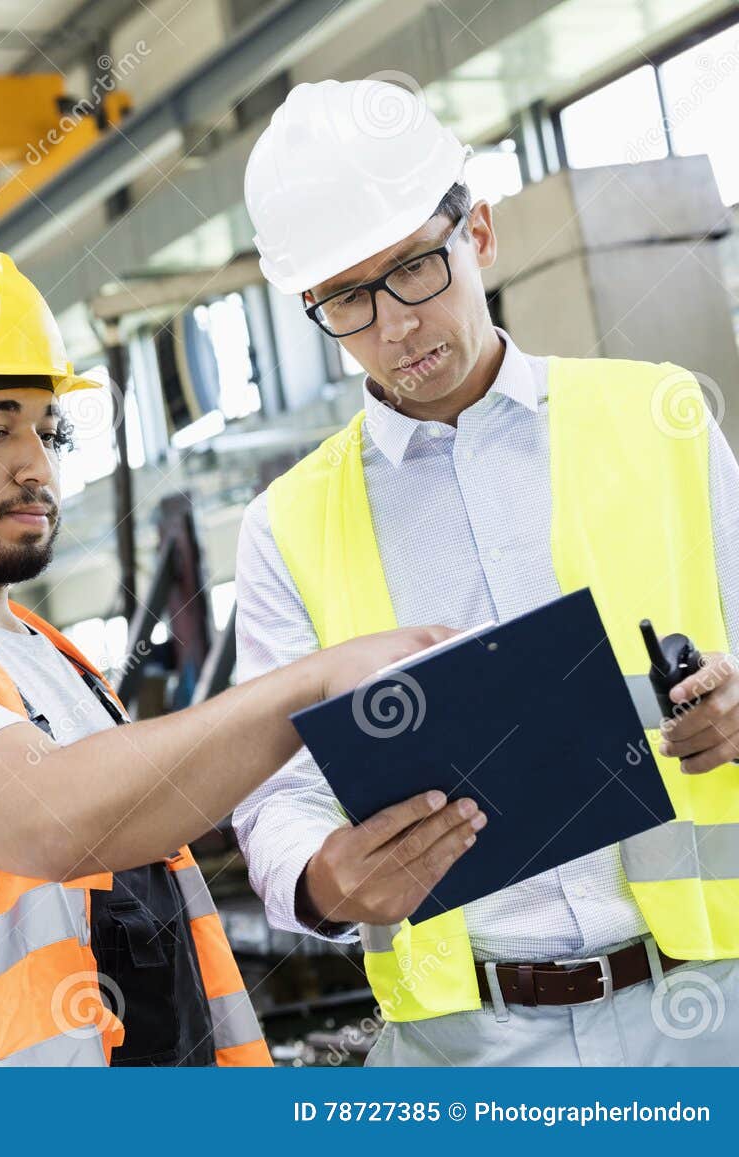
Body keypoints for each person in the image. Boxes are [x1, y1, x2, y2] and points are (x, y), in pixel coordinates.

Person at [0, 247, 463, 1066]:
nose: (36, 466)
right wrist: (315, 682)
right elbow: (53, 818)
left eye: (47, 433)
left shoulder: (51, 658)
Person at [233, 78, 739, 1065]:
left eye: (416, 268)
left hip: (710, 1003)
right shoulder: (286, 526)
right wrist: (325, 876)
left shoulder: (660, 416)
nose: (393, 326)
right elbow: (276, 795)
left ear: (481, 236)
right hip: (468, 1046)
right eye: (345, 296)